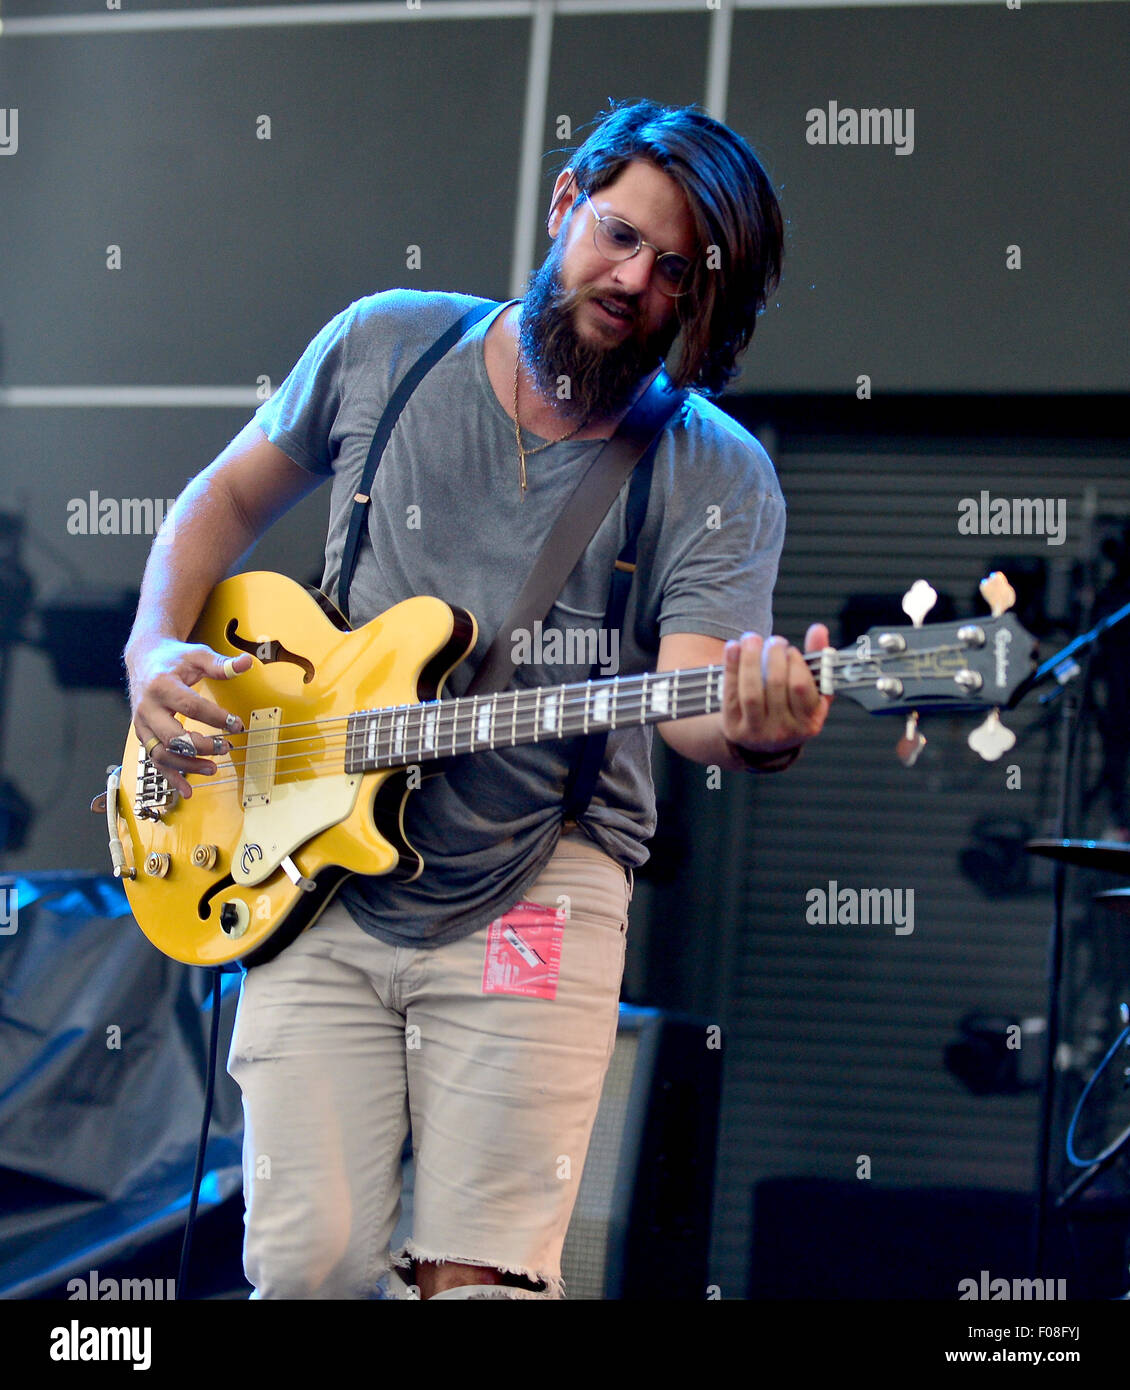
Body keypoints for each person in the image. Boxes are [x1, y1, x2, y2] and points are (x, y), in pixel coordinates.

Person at [123, 99, 831, 1300]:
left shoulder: (713, 466)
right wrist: (149, 650)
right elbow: (221, 500)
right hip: (306, 862)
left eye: (672, 272)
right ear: (564, 203)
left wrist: (752, 727)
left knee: (485, 1277)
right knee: (303, 1267)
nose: (631, 281)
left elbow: (687, 696)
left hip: (539, 880)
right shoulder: (384, 345)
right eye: (616, 236)